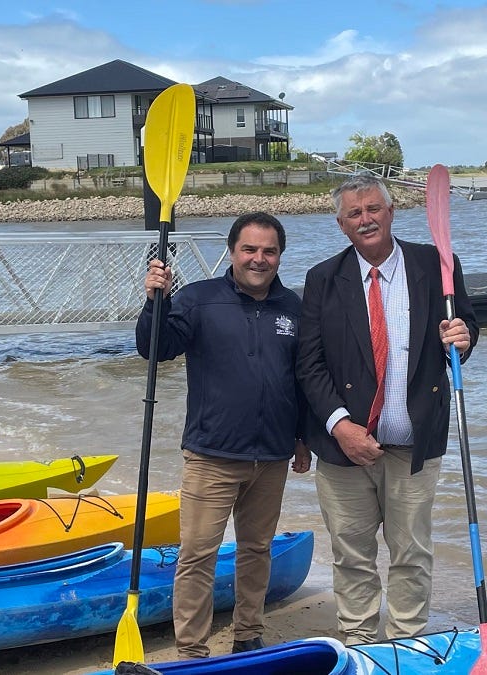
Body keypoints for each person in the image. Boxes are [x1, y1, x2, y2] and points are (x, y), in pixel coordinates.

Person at [296, 174, 478, 645]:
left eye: (373, 209)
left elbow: (464, 335)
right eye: (354, 214)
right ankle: (359, 642)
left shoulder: (437, 265)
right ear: (341, 225)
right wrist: (340, 427)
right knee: (352, 553)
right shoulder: (322, 279)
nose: (366, 219)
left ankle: (406, 642)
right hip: (343, 449)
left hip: (414, 444)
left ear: (392, 211)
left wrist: (463, 338)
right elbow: (308, 364)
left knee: (411, 552)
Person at [136, 211, 311, 659]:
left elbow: (302, 379)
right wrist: (155, 300)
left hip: (271, 457)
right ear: (232, 252)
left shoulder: (293, 307)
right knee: (197, 555)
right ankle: (191, 649)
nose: (259, 259)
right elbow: (155, 349)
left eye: (269, 251)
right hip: (211, 455)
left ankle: (248, 633)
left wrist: (302, 437)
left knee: (257, 549)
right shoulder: (197, 299)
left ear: (280, 255)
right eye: (249, 249)